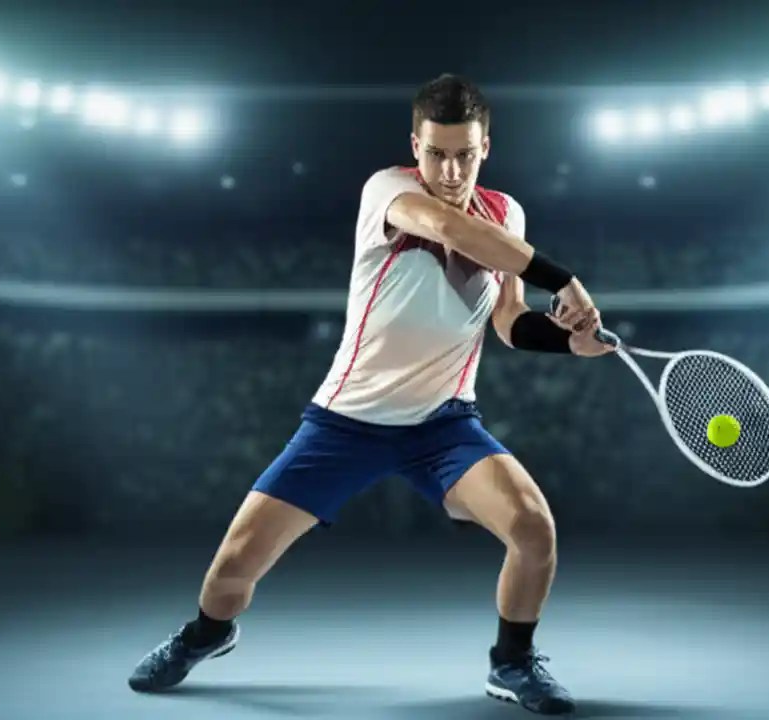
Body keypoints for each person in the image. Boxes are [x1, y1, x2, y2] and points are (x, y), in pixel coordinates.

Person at [128, 73, 613, 715]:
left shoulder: (508, 216)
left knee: (533, 529)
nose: (449, 169)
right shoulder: (389, 191)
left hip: (444, 424)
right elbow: (453, 229)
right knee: (232, 571)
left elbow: (507, 318)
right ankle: (207, 635)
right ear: (415, 145)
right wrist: (565, 279)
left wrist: (564, 342)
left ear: (486, 148)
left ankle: (513, 664)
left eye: (464, 154)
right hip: (343, 424)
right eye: (435, 152)